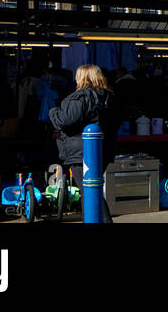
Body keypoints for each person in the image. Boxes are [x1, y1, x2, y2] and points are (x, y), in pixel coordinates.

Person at [47, 64, 120, 220]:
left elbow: (64, 120)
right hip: (103, 149)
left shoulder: (80, 97)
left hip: (80, 152)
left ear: (82, 77)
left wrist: (53, 112)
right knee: (91, 189)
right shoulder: (109, 97)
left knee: (89, 191)